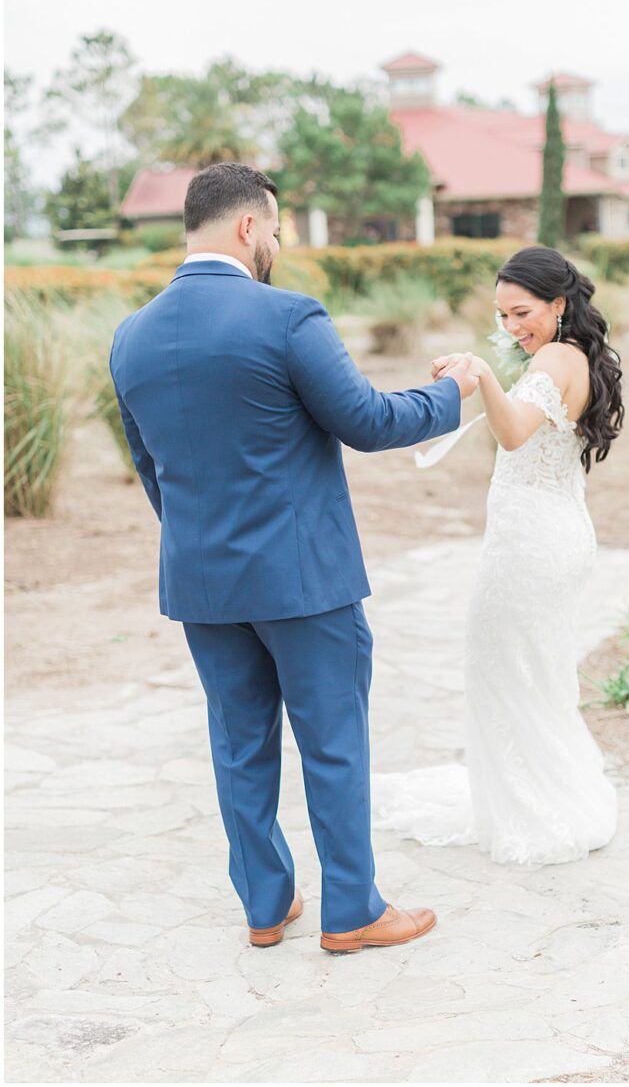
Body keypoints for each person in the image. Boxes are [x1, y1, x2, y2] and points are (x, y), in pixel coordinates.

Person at [109, 162, 479, 953]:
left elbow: (151, 468)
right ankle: (352, 910)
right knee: (333, 739)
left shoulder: (130, 335)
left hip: (201, 582)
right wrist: (454, 394)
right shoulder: (286, 316)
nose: (277, 241)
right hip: (304, 580)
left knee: (239, 744)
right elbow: (370, 422)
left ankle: (265, 906)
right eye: (275, 227)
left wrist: (200, 543)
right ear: (248, 227)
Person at [373, 246, 625, 865]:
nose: (513, 328)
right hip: (553, 536)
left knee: (502, 670)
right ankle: (551, 792)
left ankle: (532, 808)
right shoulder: (568, 357)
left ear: (559, 305)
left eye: (522, 313)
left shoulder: (557, 358)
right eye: (503, 317)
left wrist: (481, 374)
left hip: (530, 548)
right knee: (534, 672)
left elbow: (513, 432)